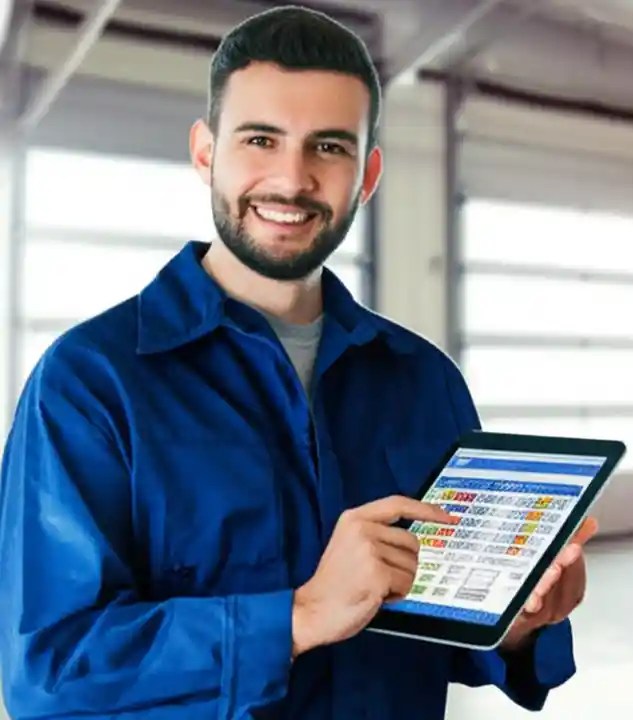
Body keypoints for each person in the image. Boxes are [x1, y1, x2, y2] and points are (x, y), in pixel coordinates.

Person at [0, 6, 596, 718]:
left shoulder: (423, 381)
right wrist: (299, 615)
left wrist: (522, 621)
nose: (292, 179)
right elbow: (49, 671)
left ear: (367, 174)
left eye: (329, 147)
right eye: (260, 139)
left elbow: (449, 627)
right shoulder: (91, 384)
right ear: (205, 153)